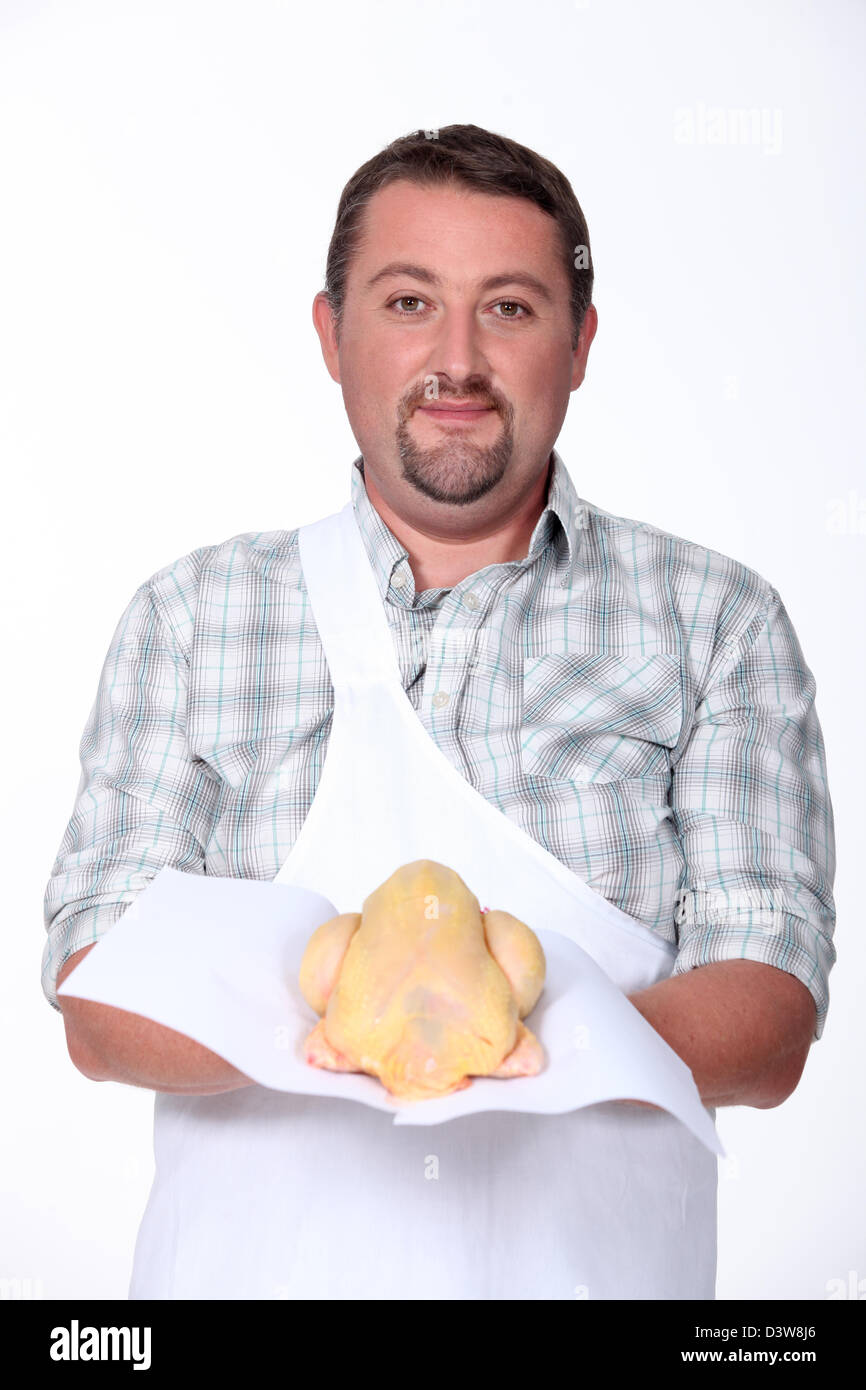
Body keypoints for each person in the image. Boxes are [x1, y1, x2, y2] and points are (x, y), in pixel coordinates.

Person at [44, 124, 836, 1300]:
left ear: (578, 345)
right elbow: (102, 997)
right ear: (330, 333)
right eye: (408, 300)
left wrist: (486, 1021)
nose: (455, 359)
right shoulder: (194, 617)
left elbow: (768, 1018)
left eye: (509, 308)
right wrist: (400, 1022)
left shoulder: (713, 620)